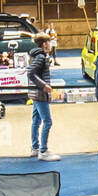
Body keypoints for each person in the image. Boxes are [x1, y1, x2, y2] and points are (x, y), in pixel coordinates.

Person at [26, 31, 57, 161]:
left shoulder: (37, 55)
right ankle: (43, 151)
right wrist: (43, 85)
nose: (51, 44)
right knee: (47, 121)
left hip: (35, 93)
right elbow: (30, 72)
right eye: (49, 42)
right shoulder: (41, 57)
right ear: (44, 44)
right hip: (40, 94)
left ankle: (35, 148)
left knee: (36, 121)